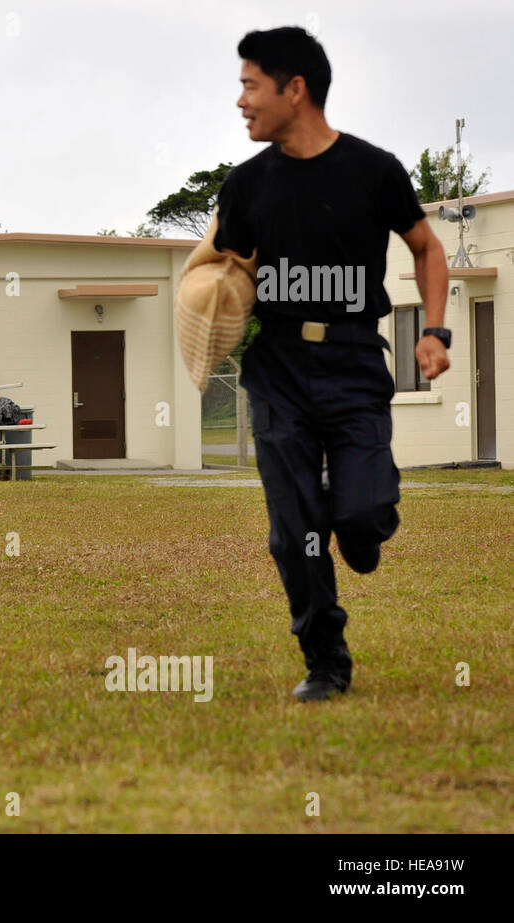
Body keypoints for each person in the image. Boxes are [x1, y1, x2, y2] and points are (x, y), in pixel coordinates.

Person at [215, 27, 450, 701]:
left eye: (250, 85)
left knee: (360, 518)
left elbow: (427, 248)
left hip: (352, 360)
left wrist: (434, 332)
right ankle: (325, 659)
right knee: (295, 529)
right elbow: (222, 266)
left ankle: (364, 523)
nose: (240, 101)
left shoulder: (373, 171)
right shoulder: (246, 184)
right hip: (278, 367)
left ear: (296, 89)